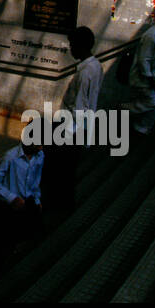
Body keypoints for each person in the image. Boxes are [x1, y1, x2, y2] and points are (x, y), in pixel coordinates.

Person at [47, 26, 101, 209]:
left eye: (72, 45)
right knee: (68, 170)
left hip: (72, 128)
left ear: (80, 46)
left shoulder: (85, 72)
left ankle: (61, 204)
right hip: (80, 127)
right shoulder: (95, 66)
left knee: (62, 170)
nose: (70, 49)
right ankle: (64, 201)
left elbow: (80, 105)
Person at [0, 123, 45, 261]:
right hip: (7, 207)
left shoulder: (40, 156)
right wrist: (11, 198)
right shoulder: (10, 157)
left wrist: (37, 200)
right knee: (1, 241)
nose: (41, 147)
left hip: (25, 204)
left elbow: (36, 181)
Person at [127, 3, 155, 135]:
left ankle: (140, 126)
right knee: (154, 102)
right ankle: (129, 114)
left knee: (152, 102)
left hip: (151, 75)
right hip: (143, 78)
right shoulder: (151, 36)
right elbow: (144, 60)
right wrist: (151, 80)